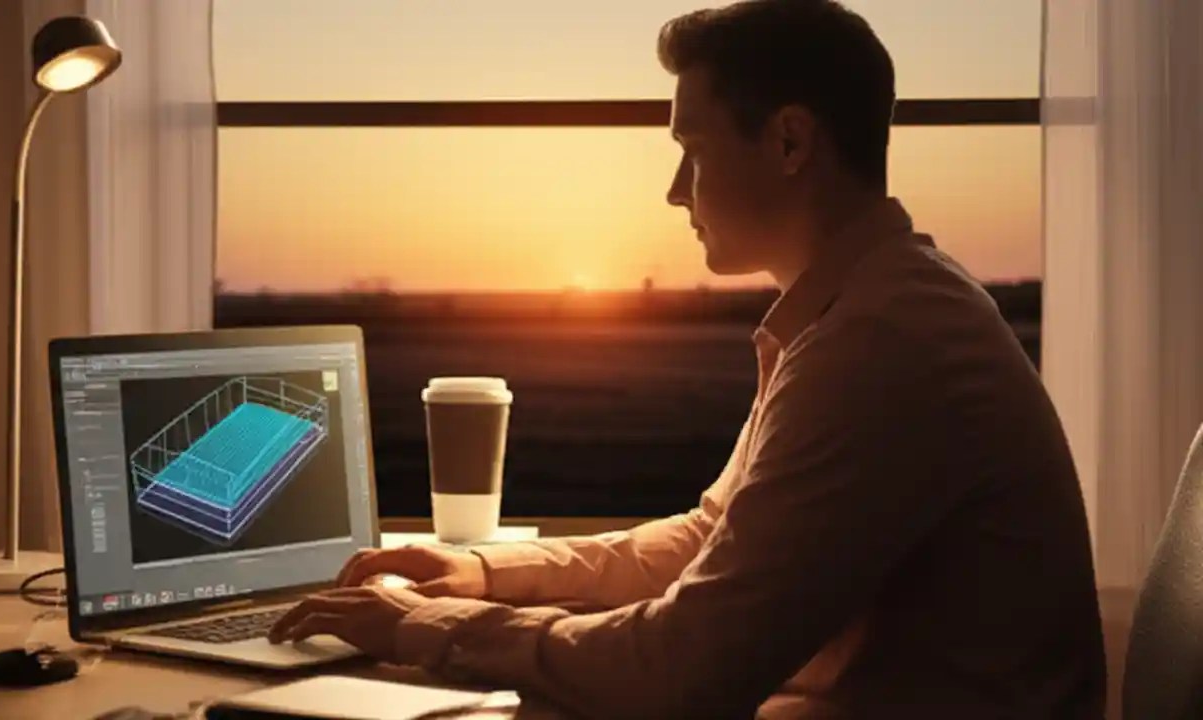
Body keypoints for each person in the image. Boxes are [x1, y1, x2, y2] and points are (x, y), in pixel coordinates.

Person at [269, 1, 1107, 717]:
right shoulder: (862, 309)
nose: (676, 190)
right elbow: (713, 540)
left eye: (692, 149)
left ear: (788, 143)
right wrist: (485, 573)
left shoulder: (881, 343)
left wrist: (426, 629)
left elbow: (685, 668)